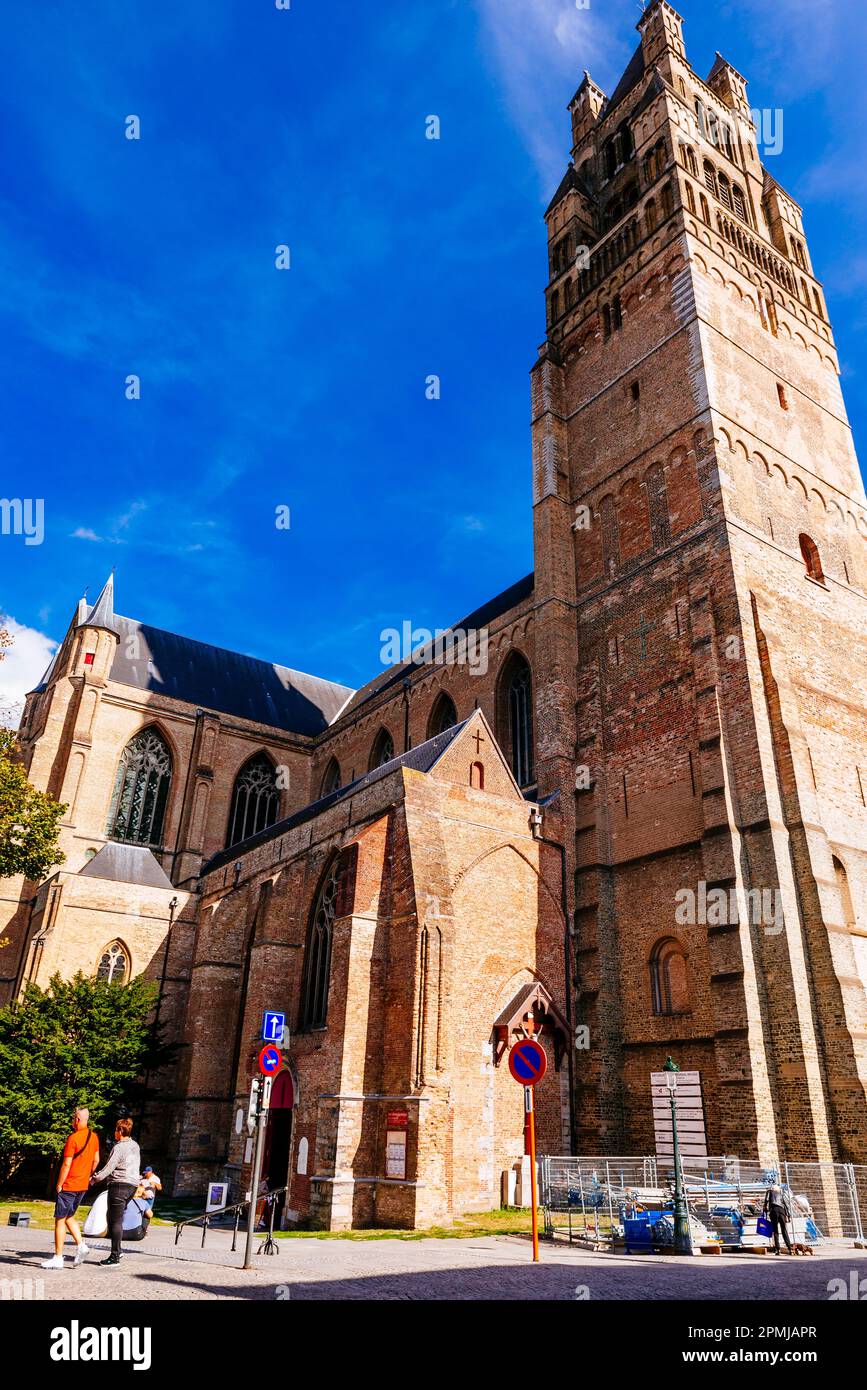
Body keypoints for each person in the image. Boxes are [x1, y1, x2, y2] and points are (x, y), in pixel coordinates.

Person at [41, 1106, 100, 1269]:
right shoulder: (94, 1137)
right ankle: (81, 1246)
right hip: (82, 1185)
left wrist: (59, 1184)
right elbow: (96, 1160)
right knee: (69, 1216)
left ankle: (58, 1257)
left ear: (78, 1119)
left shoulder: (73, 1138)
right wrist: (86, 1174)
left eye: (74, 1118)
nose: (72, 1121)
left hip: (70, 1184)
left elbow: (66, 1163)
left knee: (59, 1220)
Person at [91, 1117, 141, 1267]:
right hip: (132, 1186)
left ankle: (115, 1256)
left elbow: (109, 1167)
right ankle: (117, 1248)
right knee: (114, 1218)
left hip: (119, 1185)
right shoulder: (135, 1145)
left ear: (120, 1131)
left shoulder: (119, 1147)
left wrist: (95, 1178)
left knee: (115, 1221)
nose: (114, 1133)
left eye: (115, 1130)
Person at [763, 1182, 794, 1255]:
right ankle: (789, 1249)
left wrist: (765, 1210)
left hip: (773, 1211)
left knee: (775, 1231)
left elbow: (766, 1202)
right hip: (781, 1211)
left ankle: (778, 1250)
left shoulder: (769, 1192)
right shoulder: (781, 1193)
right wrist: (788, 1215)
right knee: (784, 1230)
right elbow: (785, 1204)